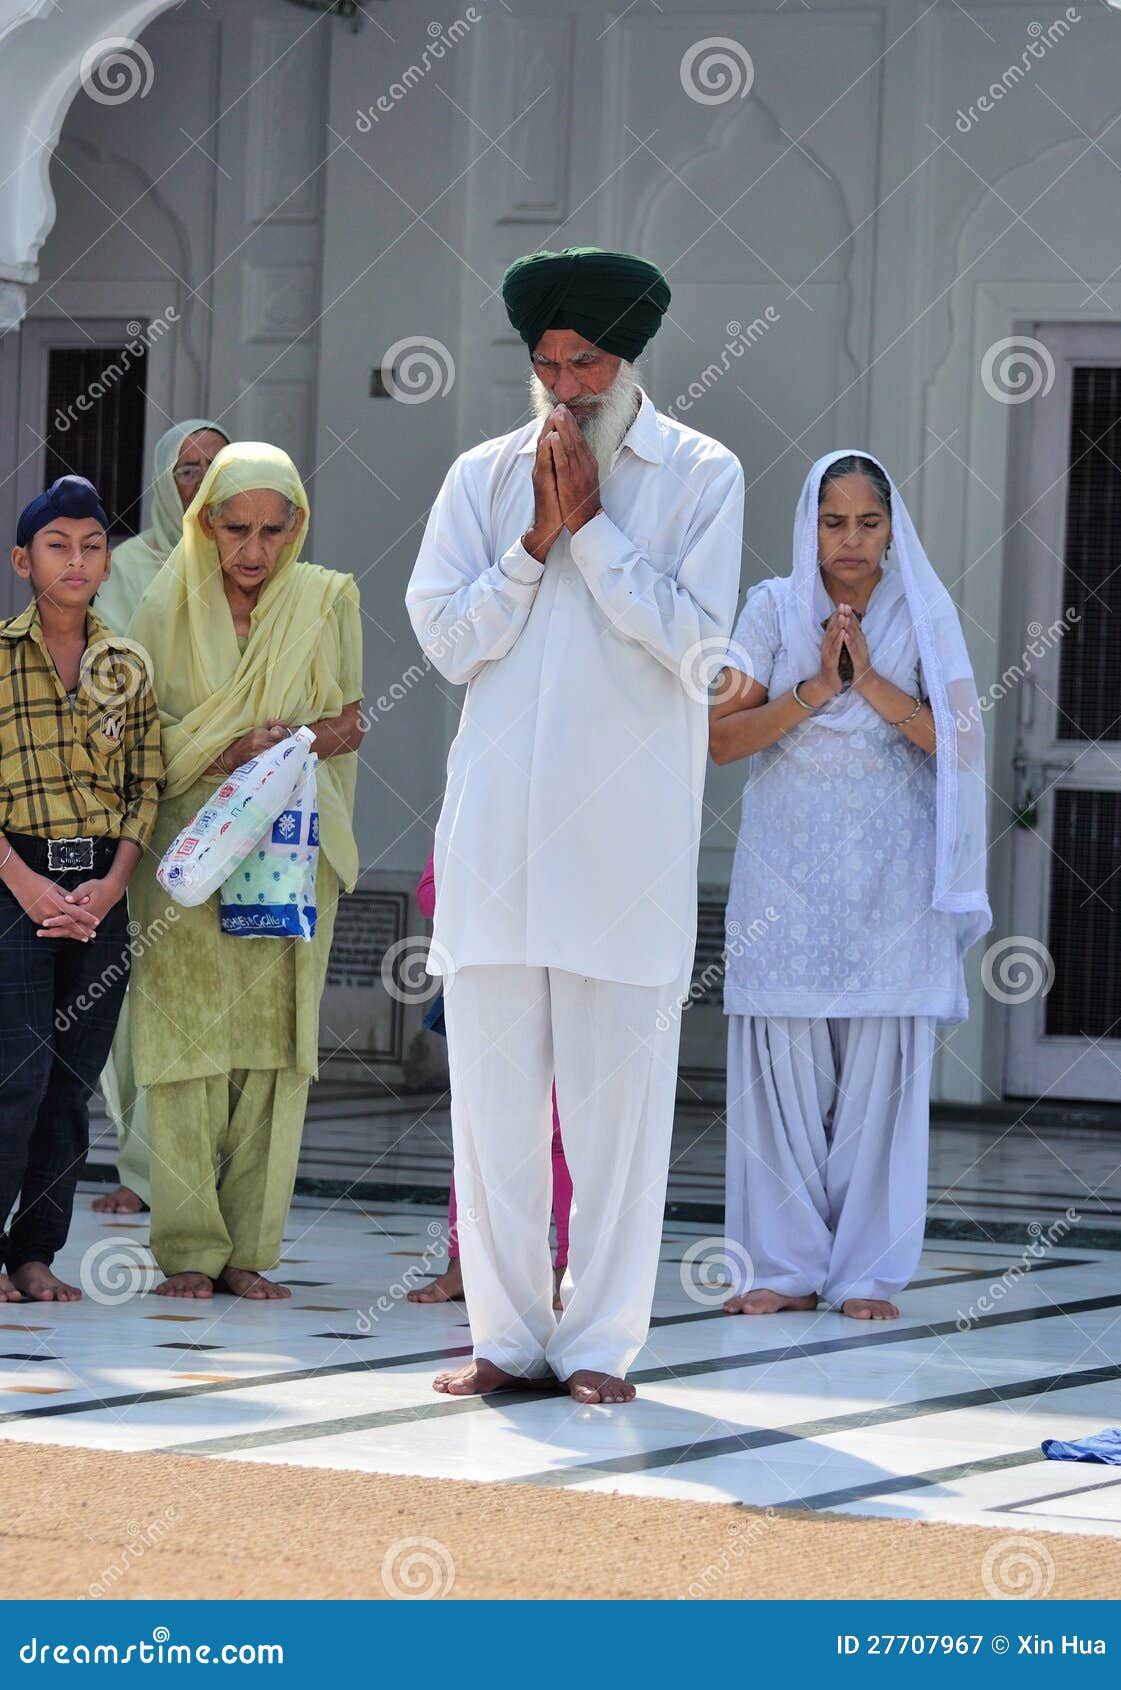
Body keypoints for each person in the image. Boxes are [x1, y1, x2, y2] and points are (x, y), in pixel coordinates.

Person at [406, 246, 744, 1403]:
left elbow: (700, 650)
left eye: (586, 363)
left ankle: (598, 1343)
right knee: (491, 1109)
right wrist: (534, 543)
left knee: (616, 1117)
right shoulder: (482, 477)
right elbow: (448, 642)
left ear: (628, 357)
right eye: (548, 365)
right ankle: (504, 1337)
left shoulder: (701, 474)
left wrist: (594, 532)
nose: (566, 388)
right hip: (497, 843)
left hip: (623, 855)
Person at [709, 450, 990, 1321]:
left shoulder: (923, 615)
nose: (851, 541)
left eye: (869, 523)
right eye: (834, 522)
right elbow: (719, 739)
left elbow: (960, 746)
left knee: (880, 1073)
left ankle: (867, 1273)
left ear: (891, 527)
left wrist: (866, 681)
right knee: (780, 1061)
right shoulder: (769, 607)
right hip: (783, 878)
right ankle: (780, 1268)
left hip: (890, 877)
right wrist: (811, 688)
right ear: (808, 525)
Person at [127, 442, 363, 1301]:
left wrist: (292, 743)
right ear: (204, 524)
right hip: (187, 853)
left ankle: (247, 1252)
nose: (254, 551)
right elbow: (141, 741)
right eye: (235, 530)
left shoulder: (325, 598)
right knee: (184, 1046)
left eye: (271, 529)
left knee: (274, 1052)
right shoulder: (162, 606)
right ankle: (188, 1249)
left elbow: (351, 721)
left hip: (291, 849)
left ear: (295, 524)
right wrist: (230, 749)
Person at [0, 476, 163, 1301]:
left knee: (71, 1083)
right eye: (57, 545)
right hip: (13, 883)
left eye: (92, 545)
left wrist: (109, 887)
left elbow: (146, 788)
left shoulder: (125, 666)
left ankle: (35, 1256)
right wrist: (24, 882)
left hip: (98, 889)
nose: (76, 559)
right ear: (23, 559)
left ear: (107, 564)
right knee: (14, 1074)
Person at [94, 418, 230, 1218]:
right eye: (187, 468)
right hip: (144, 804)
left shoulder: (254, 569)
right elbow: (112, 681)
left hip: (230, 809)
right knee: (139, 990)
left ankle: (198, 1160)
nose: (202, 482)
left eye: (218, 468)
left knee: (213, 989)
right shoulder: (128, 570)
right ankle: (140, 1163)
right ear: (162, 479)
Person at [407, 848, 571, 1307]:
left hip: (567, 985)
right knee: (479, 1133)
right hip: (490, 990)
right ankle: (465, 1266)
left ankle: (567, 1267)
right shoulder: (470, 798)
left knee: (561, 1134)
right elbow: (429, 893)